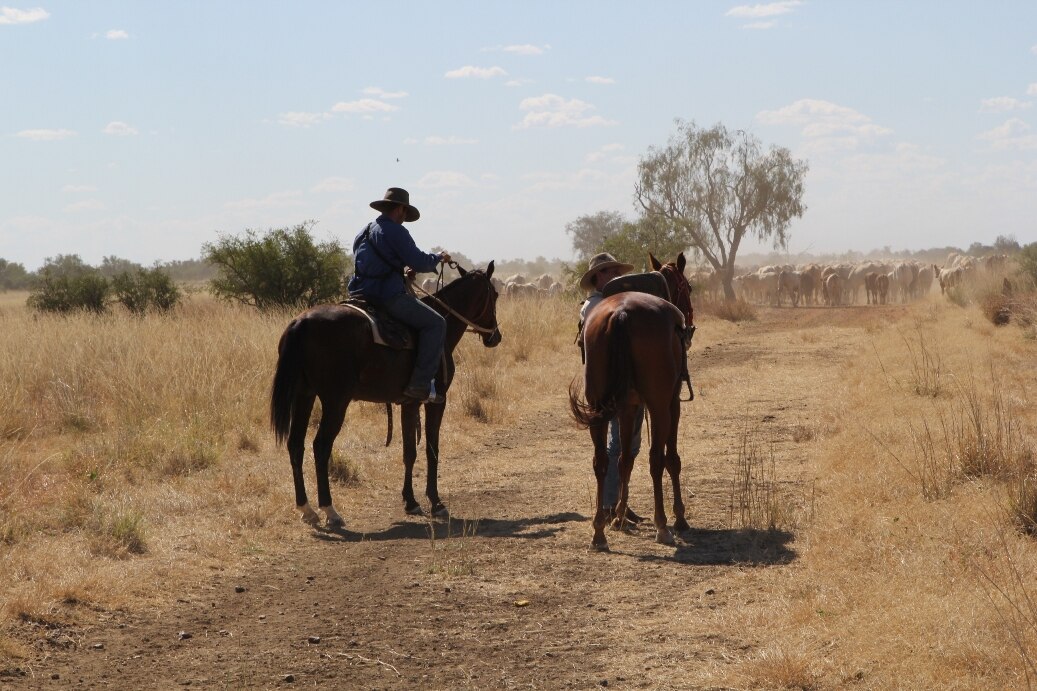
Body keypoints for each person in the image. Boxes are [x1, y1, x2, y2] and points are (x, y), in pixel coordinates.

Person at [348, 187, 451, 403]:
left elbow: (373, 264)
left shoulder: (363, 232)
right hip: (386, 297)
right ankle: (420, 385)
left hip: (358, 295)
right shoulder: (395, 230)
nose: (404, 219)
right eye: (405, 214)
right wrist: (438, 257)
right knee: (437, 324)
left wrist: (401, 271)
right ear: (401, 209)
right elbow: (420, 261)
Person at [578, 252, 645, 523]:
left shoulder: (619, 304)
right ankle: (608, 504)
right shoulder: (593, 306)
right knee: (618, 443)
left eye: (617, 271)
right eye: (609, 272)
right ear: (597, 277)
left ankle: (618, 501)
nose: (615, 276)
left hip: (627, 378)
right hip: (608, 382)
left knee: (629, 444)